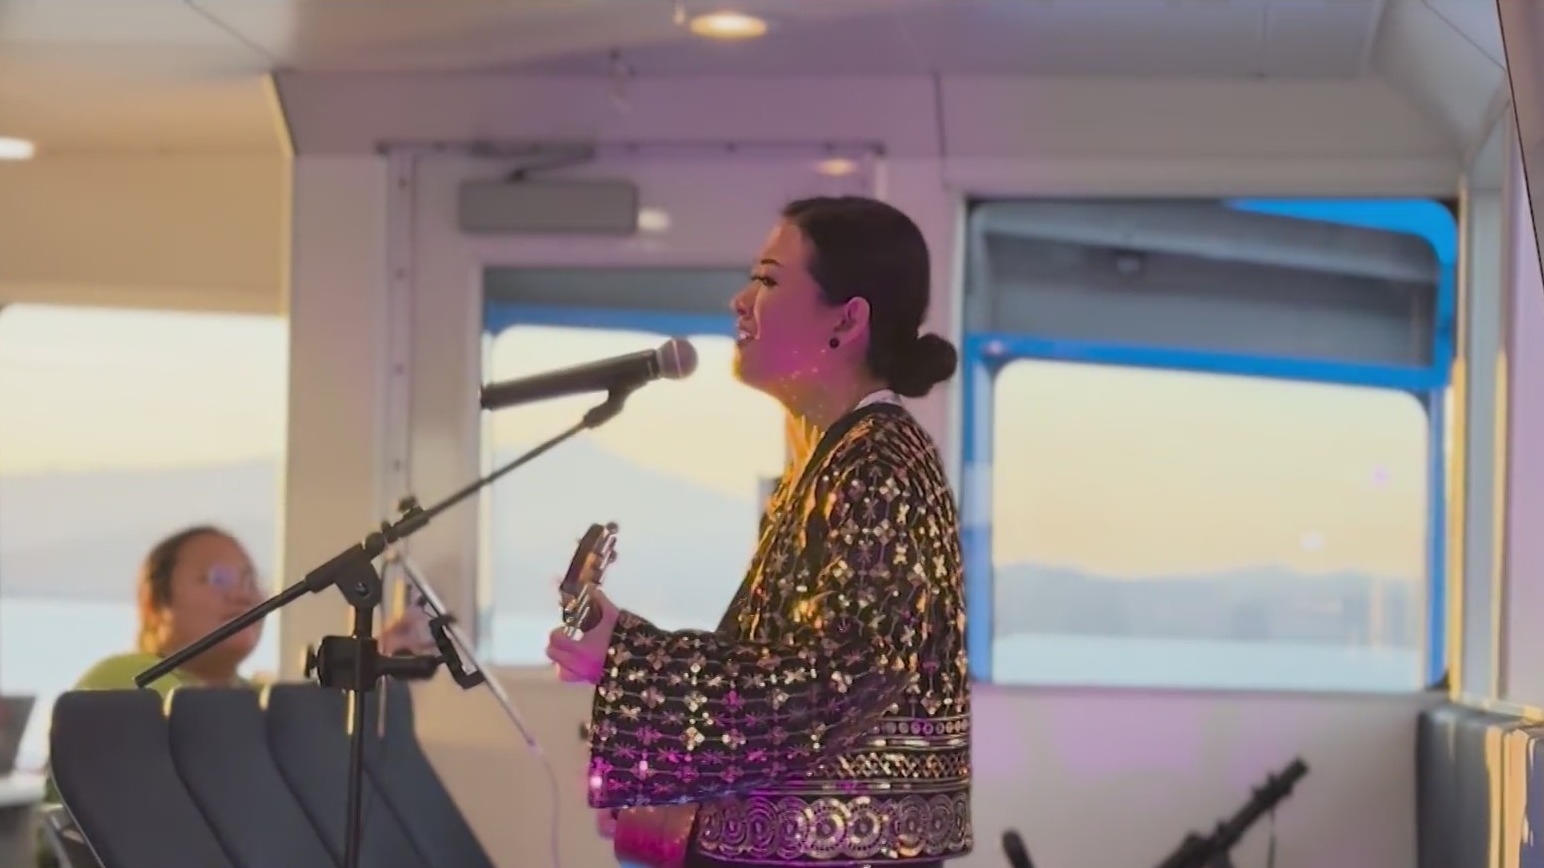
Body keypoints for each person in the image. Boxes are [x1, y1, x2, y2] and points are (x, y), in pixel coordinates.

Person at [546, 196, 972, 868]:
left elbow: (845, 676)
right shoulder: (833, 458)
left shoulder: (877, 463)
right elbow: (789, 682)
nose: (741, 302)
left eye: (768, 280)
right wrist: (654, 776)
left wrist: (630, 660)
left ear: (847, 319)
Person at [35, 524, 432, 867]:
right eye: (219, 578)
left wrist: (366, 669)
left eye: (251, 581)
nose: (244, 597)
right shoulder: (123, 678)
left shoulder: (255, 699)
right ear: (154, 602)